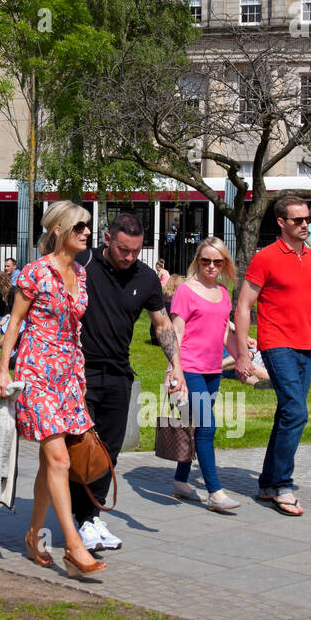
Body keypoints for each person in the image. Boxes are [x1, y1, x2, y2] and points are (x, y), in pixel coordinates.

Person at [0, 201, 105, 577]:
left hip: (69, 376)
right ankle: (74, 547)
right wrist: (3, 370)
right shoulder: (35, 273)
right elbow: (13, 324)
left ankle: (33, 536)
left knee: (48, 462)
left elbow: (75, 329)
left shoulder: (82, 274)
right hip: (36, 371)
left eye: (87, 226)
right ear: (58, 230)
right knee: (60, 459)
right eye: (79, 227)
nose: (86, 232)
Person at [70, 213, 183, 554]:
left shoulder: (146, 278)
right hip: (79, 373)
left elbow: (162, 325)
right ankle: (84, 519)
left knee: (109, 451)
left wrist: (175, 365)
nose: (129, 257)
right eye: (123, 250)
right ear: (107, 239)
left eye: (135, 251)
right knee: (81, 448)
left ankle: (92, 516)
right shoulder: (82, 264)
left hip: (119, 375)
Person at [234, 195, 311, 517]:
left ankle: (267, 483)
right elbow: (243, 306)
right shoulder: (265, 258)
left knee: (287, 413)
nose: (305, 225)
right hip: (276, 344)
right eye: (297, 220)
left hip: (306, 346)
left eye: (307, 219)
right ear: (281, 223)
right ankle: (283, 485)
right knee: (297, 412)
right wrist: (243, 354)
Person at [168, 238, 245, 512]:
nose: (211, 266)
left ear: (224, 263)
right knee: (207, 427)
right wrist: (173, 371)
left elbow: (224, 332)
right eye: (206, 261)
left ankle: (180, 481)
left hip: (213, 370)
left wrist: (242, 359)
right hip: (189, 368)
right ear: (197, 261)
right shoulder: (186, 291)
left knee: (193, 425)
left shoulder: (224, 293)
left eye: (217, 261)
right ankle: (215, 492)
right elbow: (175, 333)